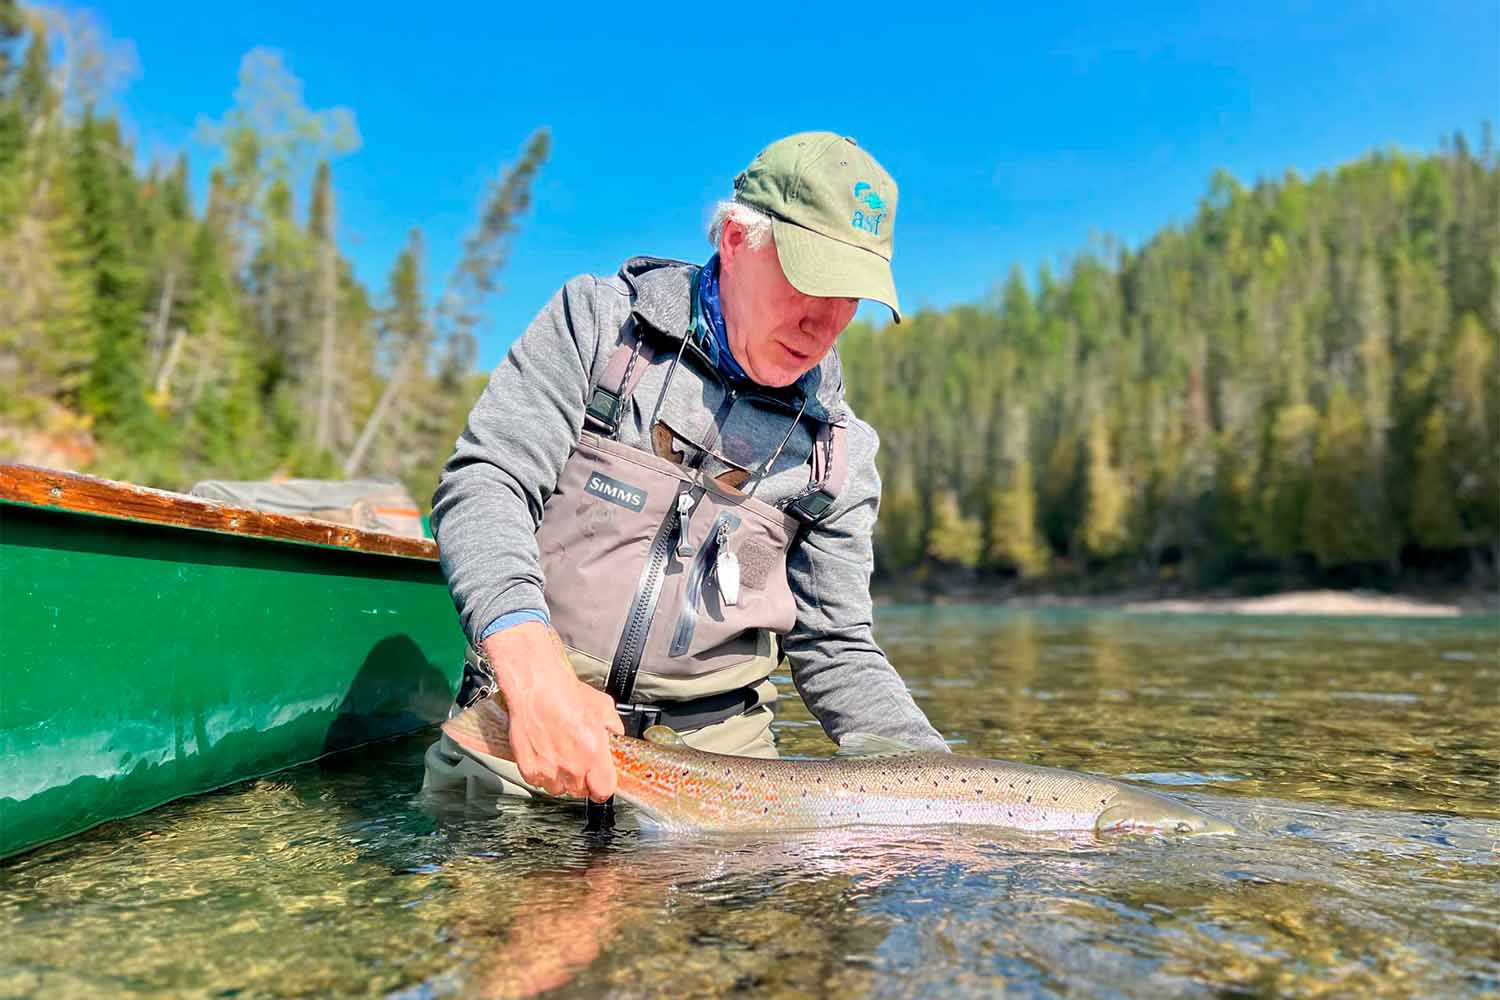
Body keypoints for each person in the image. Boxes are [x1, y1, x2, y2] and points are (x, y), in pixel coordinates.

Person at [423, 132, 948, 810]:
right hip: (522, 731)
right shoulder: (598, 326)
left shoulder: (839, 454)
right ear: (735, 240)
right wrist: (532, 671)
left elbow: (837, 646)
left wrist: (942, 791)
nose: (824, 321)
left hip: (724, 787)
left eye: (851, 294)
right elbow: (486, 482)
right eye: (812, 277)